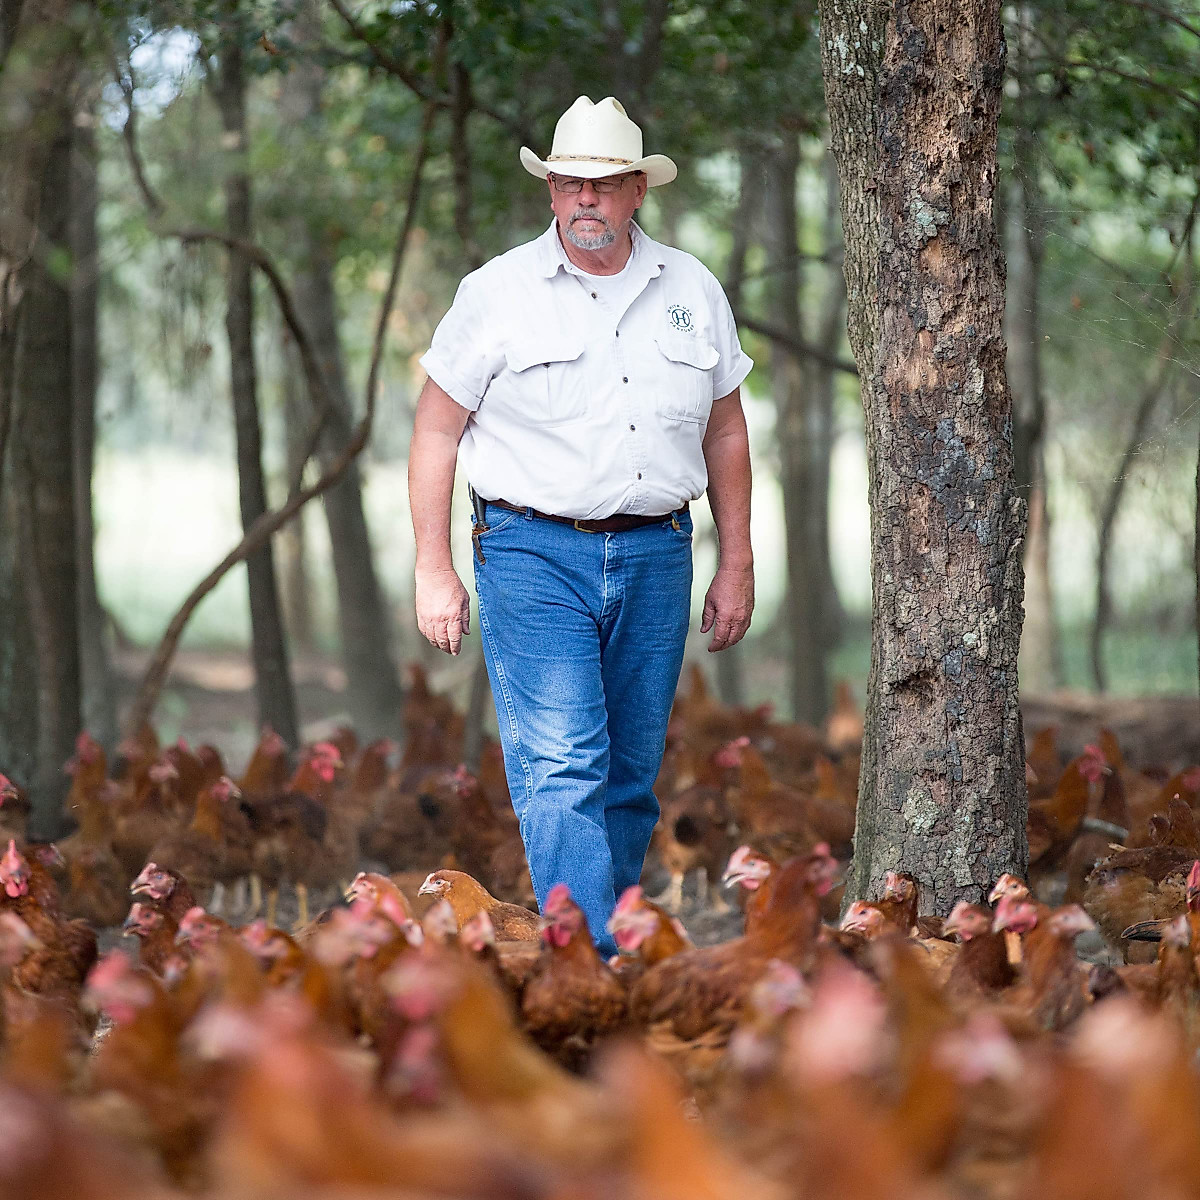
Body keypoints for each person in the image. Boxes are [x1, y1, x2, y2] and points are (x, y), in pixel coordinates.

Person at [408, 95, 754, 955]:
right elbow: (435, 429)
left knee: (631, 778)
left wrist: (738, 560)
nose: (585, 201)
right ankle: (598, 965)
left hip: (657, 552)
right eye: (569, 185)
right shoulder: (496, 294)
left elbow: (726, 428)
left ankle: (605, 939)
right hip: (531, 551)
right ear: (550, 191)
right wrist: (433, 566)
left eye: (603, 185)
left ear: (639, 190)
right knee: (562, 767)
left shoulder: (692, 289)